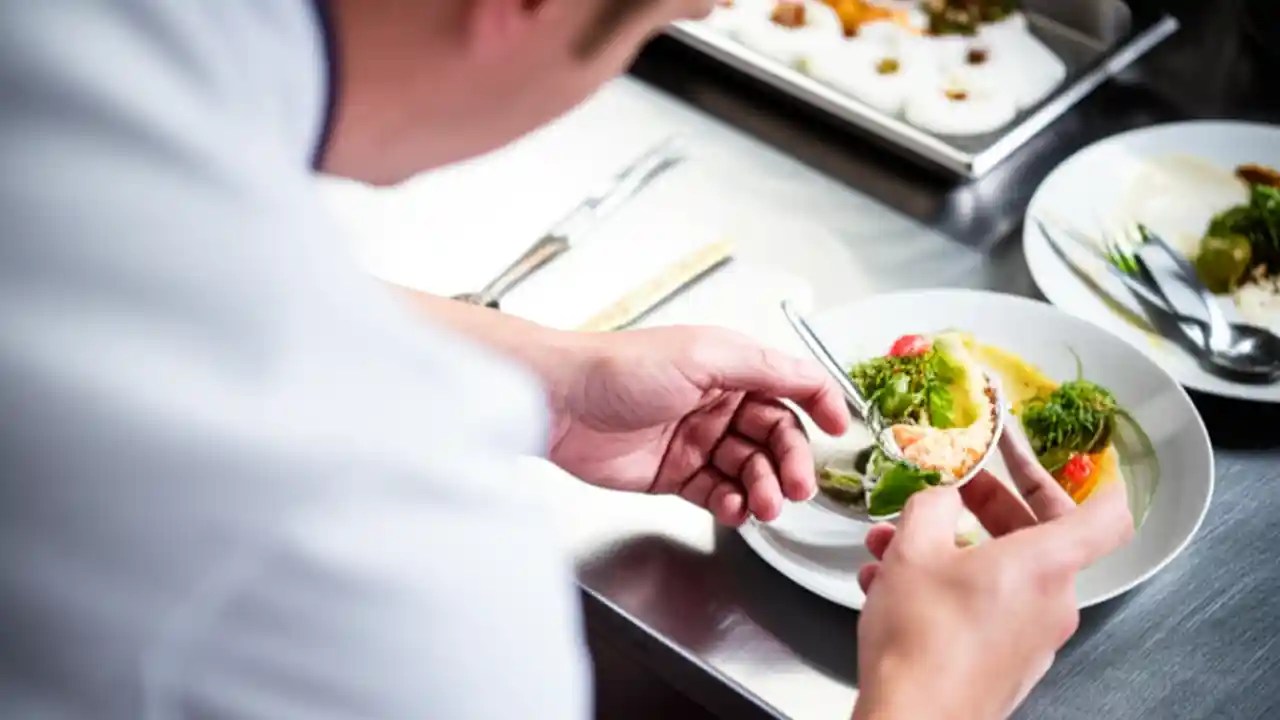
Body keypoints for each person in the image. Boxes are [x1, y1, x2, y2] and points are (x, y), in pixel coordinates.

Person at [0, 1, 1133, 718]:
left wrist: (536, 378)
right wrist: (929, 693)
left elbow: (153, 266)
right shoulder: (380, 548)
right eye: (647, 31)